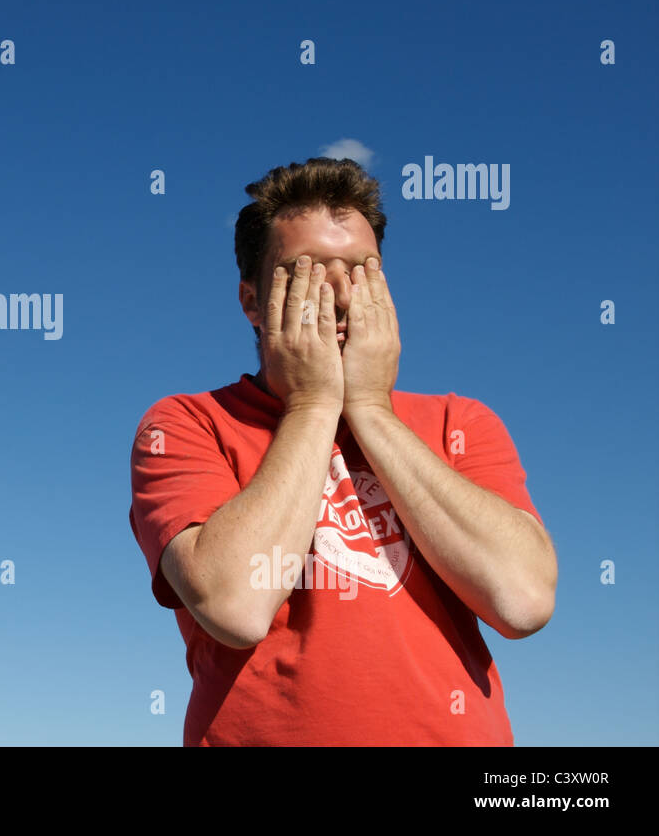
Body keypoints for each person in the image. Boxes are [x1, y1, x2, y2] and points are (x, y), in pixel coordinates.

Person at [128, 157, 557, 746]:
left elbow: (524, 600)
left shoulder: (461, 422)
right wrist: (311, 406)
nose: (335, 295)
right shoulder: (188, 422)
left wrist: (373, 410)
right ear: (252, 302)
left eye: (359, 271)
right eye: (303, 272)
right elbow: (234, 605)